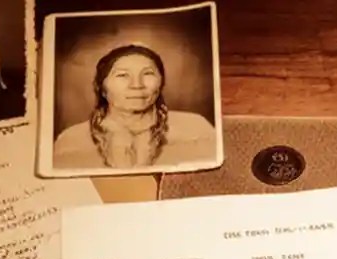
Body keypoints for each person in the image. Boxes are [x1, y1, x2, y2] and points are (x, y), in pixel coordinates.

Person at [52, 44, 217, 169]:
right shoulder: (71, 140)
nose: (136, 85)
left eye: (148, 74)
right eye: (122, 75)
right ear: (101, 88)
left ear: (161, 82)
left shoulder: (196, 129)